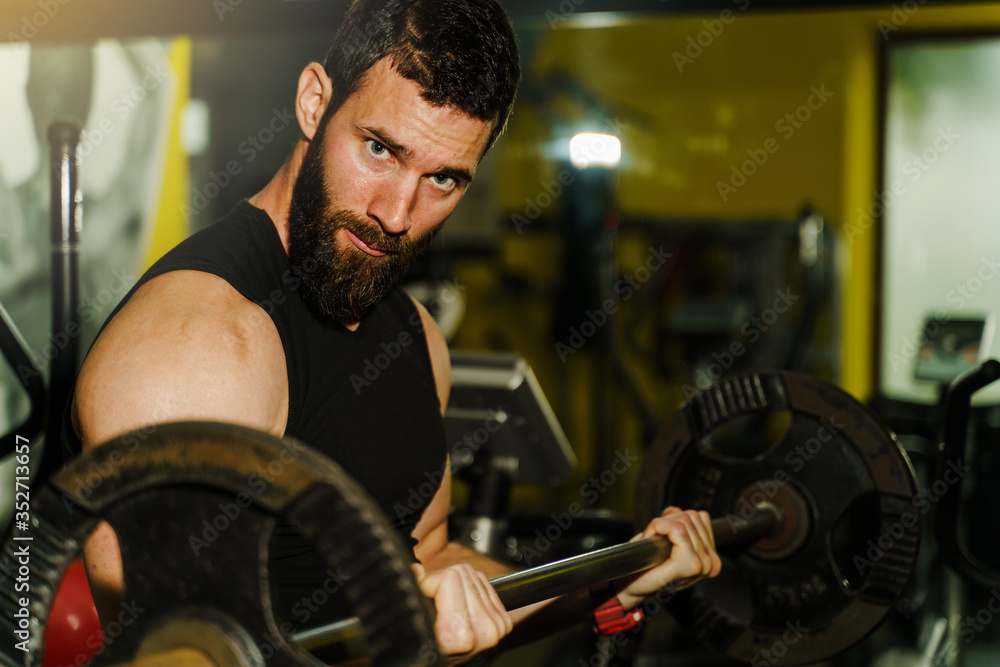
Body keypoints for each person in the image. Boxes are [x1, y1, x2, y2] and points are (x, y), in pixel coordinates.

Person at [70, 0, 722, 662]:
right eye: (380, 149)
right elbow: (173, 651)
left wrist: (609, 587)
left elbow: (432, 558)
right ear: (313, 102)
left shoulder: (414, 338)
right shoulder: (198, 344)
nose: (397, 213)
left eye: (443, 178)